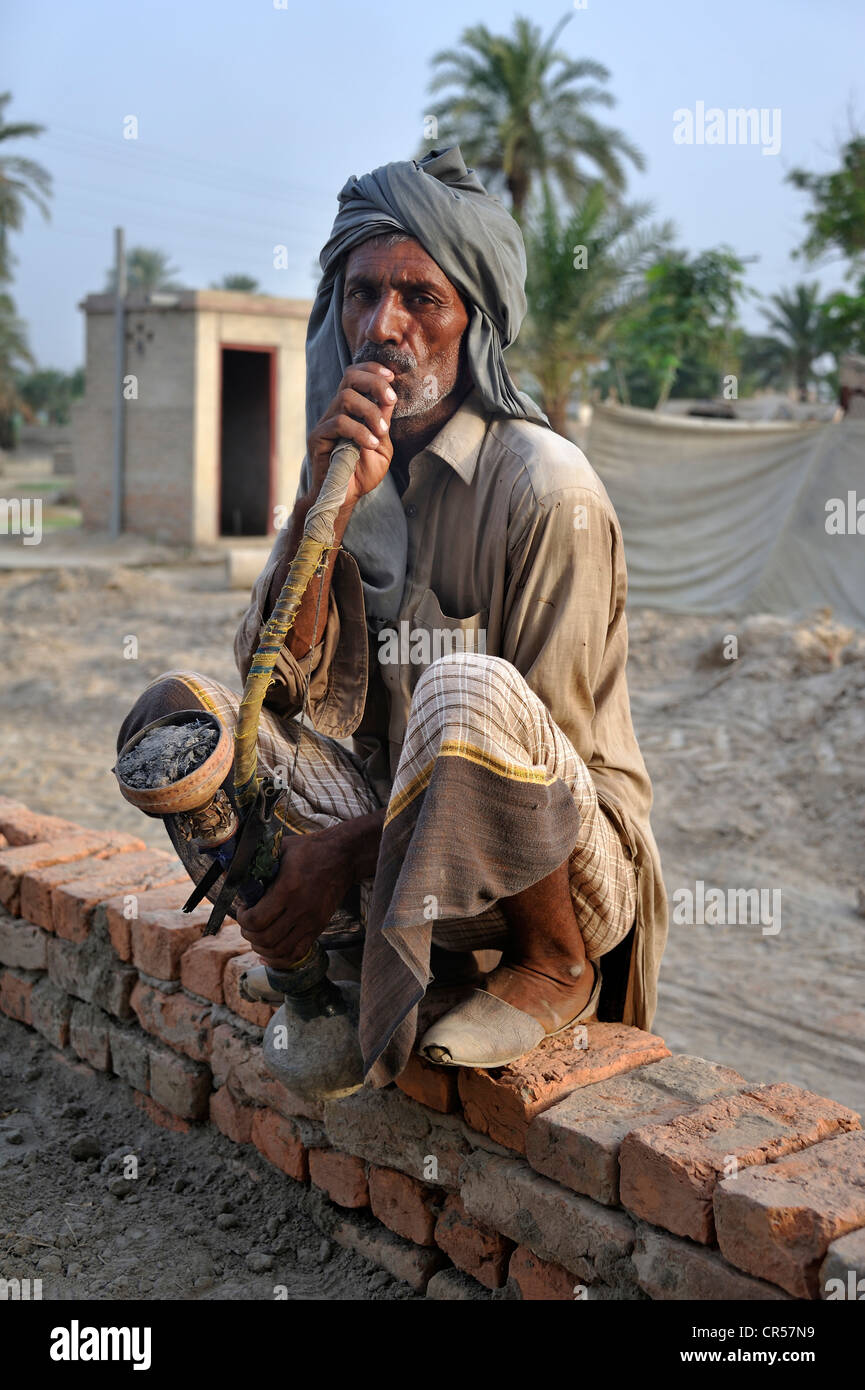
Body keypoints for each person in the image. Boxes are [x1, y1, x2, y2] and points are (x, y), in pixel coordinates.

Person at [116, 147, 667, 1087]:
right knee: (179, 725)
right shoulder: (342, 460)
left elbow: (545, 768)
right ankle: (311, 975)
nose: (384, 327)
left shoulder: (544, 485)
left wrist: (340, 852)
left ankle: (552, 971)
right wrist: (320, 513)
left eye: (421, 299)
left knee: (465, 689)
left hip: (559, 864)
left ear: (474, 322)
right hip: (399, 837)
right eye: (362, 294)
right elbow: (269, 683)